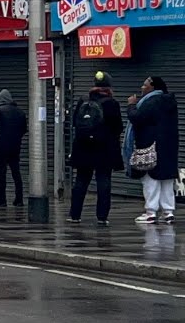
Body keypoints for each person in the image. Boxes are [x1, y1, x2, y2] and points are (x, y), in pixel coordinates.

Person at [67, 71, 124, 225]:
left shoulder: (83, 100)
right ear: (109, 87)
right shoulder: (111, 103)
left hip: (83, 147)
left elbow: (74, 122)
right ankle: (102, 217)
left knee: (81, 181)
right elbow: (118, 127)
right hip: (104, 149)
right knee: (103, 181)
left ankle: (74, 215)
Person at [127, 76, 179, 225]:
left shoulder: (151, 102)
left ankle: (151, 212)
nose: (142, 88)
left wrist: (131, 106)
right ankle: (168, 212)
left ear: (153, 87)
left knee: (150, 180)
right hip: (168, 147)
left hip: (151, 146)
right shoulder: (170, 102)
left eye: (145, 85)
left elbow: (137, 118)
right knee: (166, 180)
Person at [0, 88, 26, 207]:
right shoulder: (20, 112)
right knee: (16, 173)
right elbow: (24, 129)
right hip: (15, 147)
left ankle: (2, 199)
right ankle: (19, 199)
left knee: (2, 174)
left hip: (1, 147)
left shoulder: (0, 110)